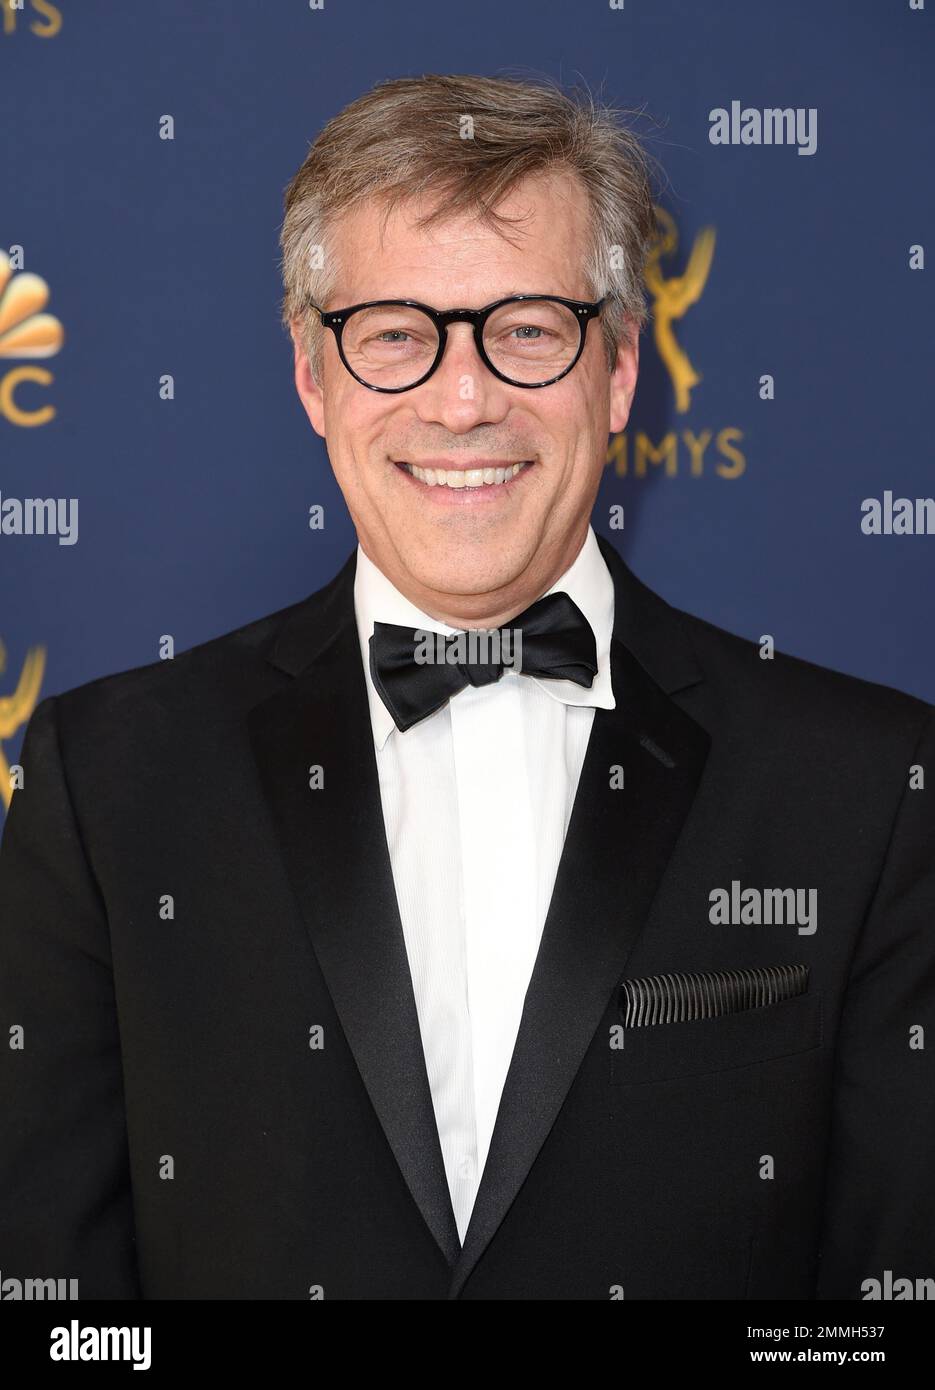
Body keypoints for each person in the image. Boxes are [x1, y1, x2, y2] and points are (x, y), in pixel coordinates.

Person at [1, 73, 932, 1301]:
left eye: (527, 329)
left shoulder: (864, 787)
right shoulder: (106, 782)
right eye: (394, 332)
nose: (463, 398)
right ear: (311, 378)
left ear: (614, 372)